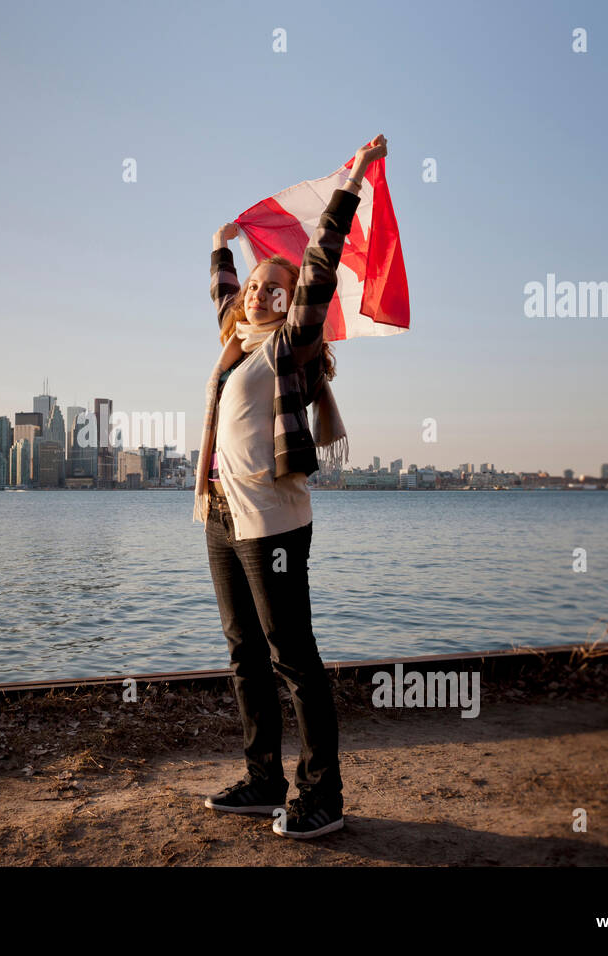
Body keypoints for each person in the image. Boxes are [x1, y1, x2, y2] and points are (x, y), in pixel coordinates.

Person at [198, 135, 387, 839]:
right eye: (254, 283)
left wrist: (353, 181)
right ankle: (262, 779)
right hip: (222, 515)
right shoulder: (236, 339)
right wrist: (222, 247)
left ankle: (323, 795)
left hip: (274, 522)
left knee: (292, 656)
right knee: (243, 649)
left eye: (272, 287)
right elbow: (224, 293)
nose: (259, 290)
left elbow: (319, 267)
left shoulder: (289, 346)